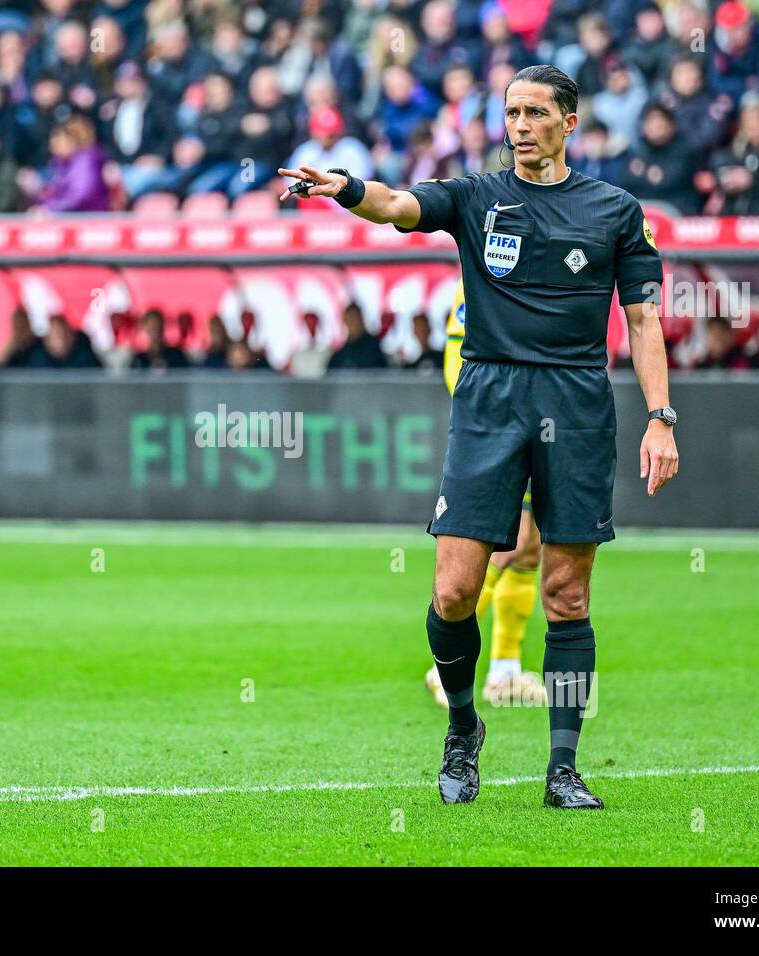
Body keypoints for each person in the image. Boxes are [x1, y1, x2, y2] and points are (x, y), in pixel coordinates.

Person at [279, 64, 678, 810]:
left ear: (569, 123)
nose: (520, 125)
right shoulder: (477, 196)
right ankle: (464, 728)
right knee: (455, 588)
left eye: (535, 113)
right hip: (490, 397)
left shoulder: (617, 210)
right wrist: (347, 188)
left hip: (578, 399)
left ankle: (563, 768)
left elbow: (646, 319)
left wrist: (661, 416)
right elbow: (399, 204)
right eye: (511, 113)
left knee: (566, 593)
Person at [425, 281, 545, 711]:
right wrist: (489, 412)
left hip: (539, 411)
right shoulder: (481, 268)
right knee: (509, 542)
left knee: (529, 549)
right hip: (499, 420)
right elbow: (455, 352)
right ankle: (446, 664)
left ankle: (505, 672)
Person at [326, 303, 387, 370]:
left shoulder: (374, 347)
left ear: (361, 319)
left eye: (355, 318)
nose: (353, 323)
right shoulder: (341, 353)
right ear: (345, 321)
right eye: (349, 319)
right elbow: (331, 373)